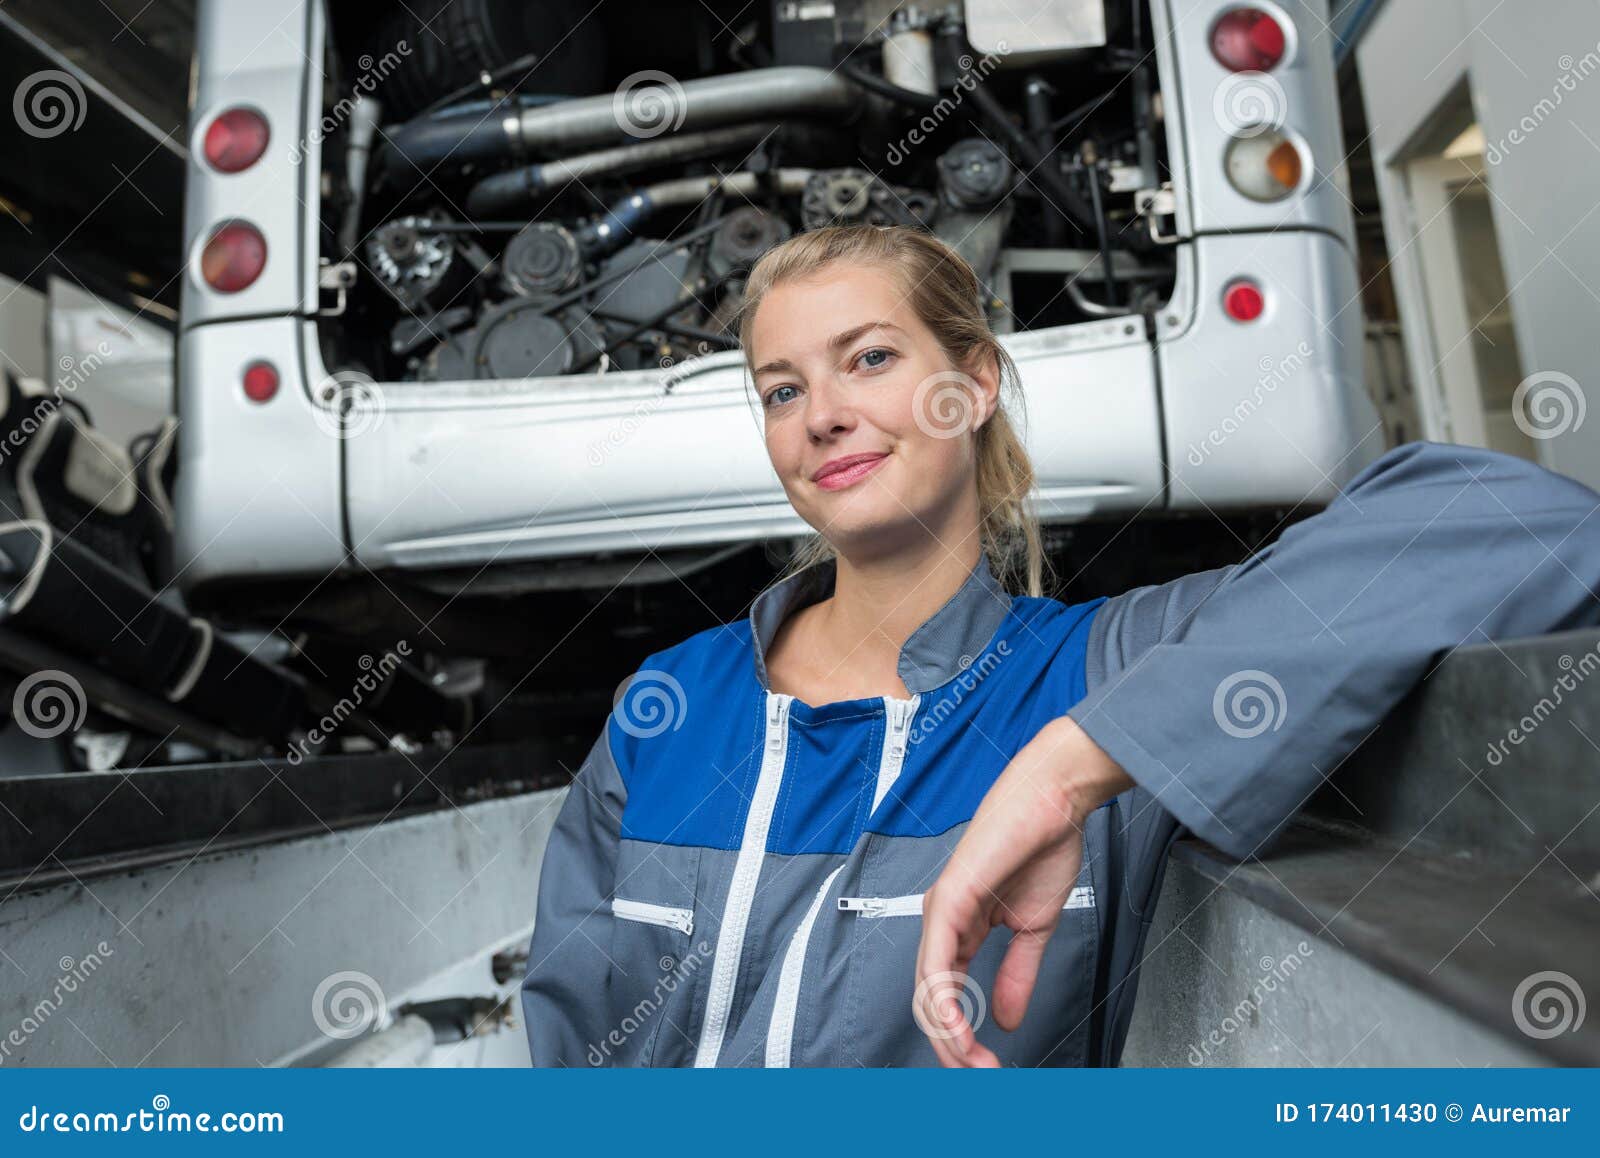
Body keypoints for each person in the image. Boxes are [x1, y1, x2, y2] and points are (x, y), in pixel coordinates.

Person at [521, 223, 1600, 1067]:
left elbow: (1517, 521)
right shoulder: (664, 709)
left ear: (974, 382)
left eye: (871, 358)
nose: (822, 416)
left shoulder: (1112, 672)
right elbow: (570, 1042)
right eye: (783, 391)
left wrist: (1066, 769)